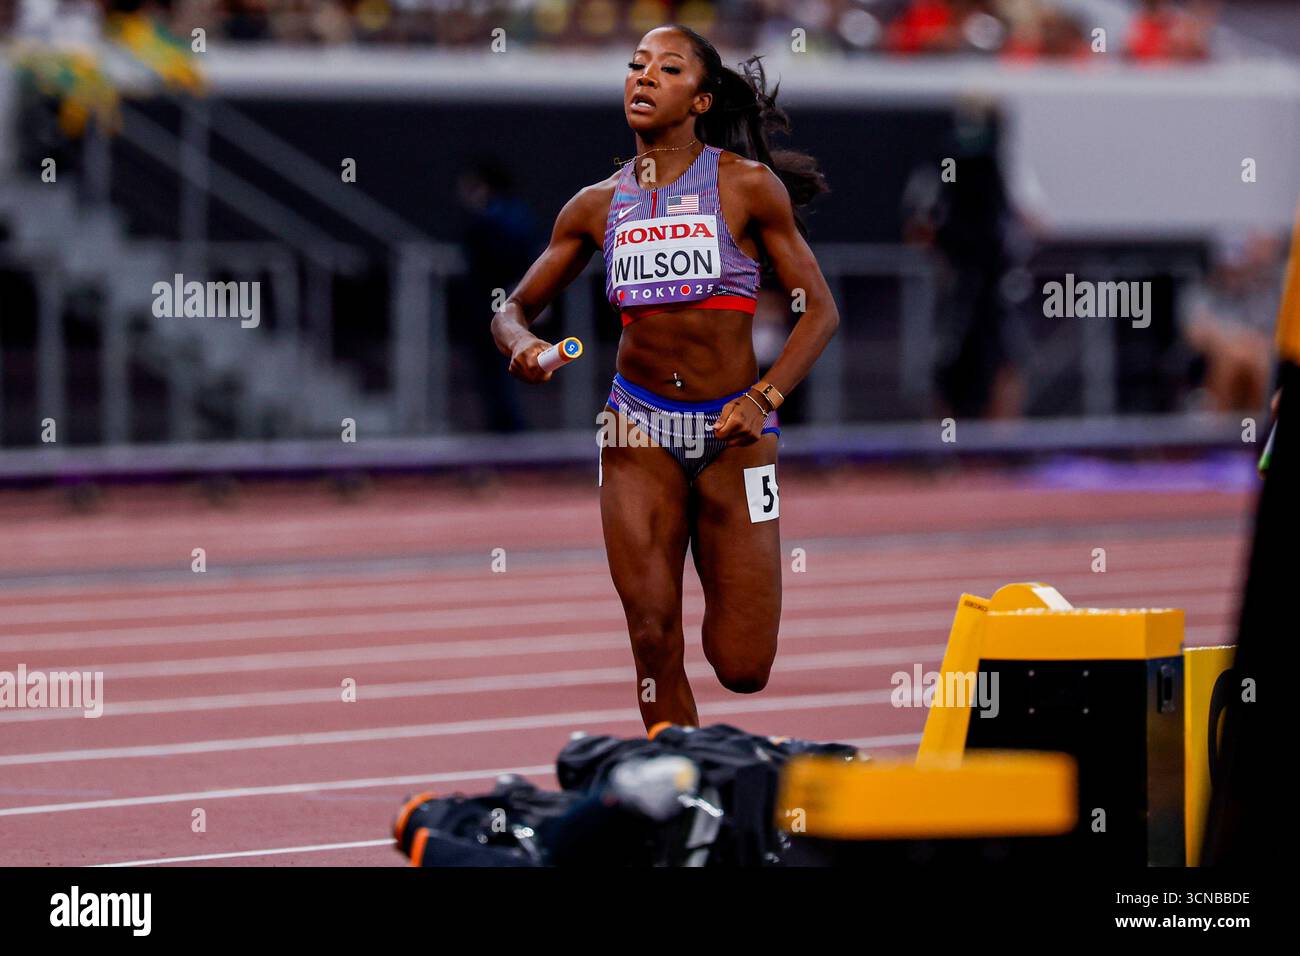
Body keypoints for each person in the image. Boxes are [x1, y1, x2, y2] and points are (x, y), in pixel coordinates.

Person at [490, 24, 838, 730]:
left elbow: (820, 312)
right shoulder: (594, 205)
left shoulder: (747, 188)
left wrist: (763, 397)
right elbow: (514, 306)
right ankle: (677, 791)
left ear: (701, 99)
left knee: (743, 666)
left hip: (735, 433)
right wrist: (523, 344)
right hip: (635, 428)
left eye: (667, 69)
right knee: (652, 637)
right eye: (635, 65)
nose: (643, 78)